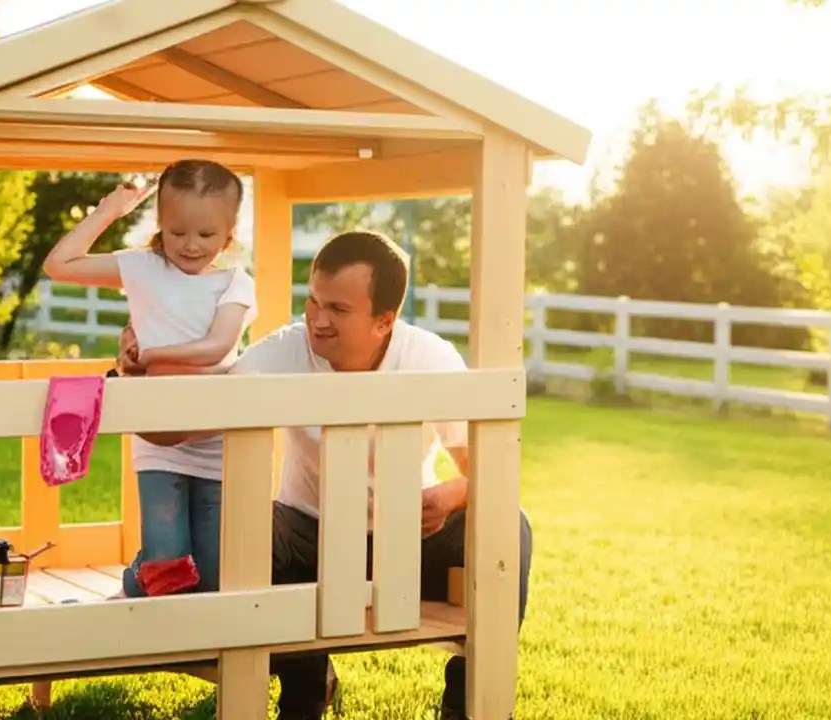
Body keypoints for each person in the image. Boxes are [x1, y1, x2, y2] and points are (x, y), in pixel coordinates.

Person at [117, 230, 533, 719]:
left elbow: (490, 474)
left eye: (338, 309)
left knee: (511, 524)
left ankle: (468, 704)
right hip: (303, 534)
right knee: (230, 543)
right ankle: (305, 686)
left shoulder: (430, 357)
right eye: (313, 301)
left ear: (385, 321)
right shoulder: (285, 351)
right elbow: (186, 427)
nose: (317, 319)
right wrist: (136, 375)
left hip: (407, 538)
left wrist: (449, 495)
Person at [43, 158, 257, 598]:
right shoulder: (141, 268)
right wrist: (110, 210)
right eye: (178, 232)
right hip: (158, 439)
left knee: (214, 574)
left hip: (213, 439)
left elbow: (215, 348)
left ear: (229, 232)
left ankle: (144, 588)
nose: (191, 246)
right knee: (168, 561)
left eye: (206, 235)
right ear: (160, 222)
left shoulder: (236, 282)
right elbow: (59, 265)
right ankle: (137, 580)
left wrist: (147, 356)